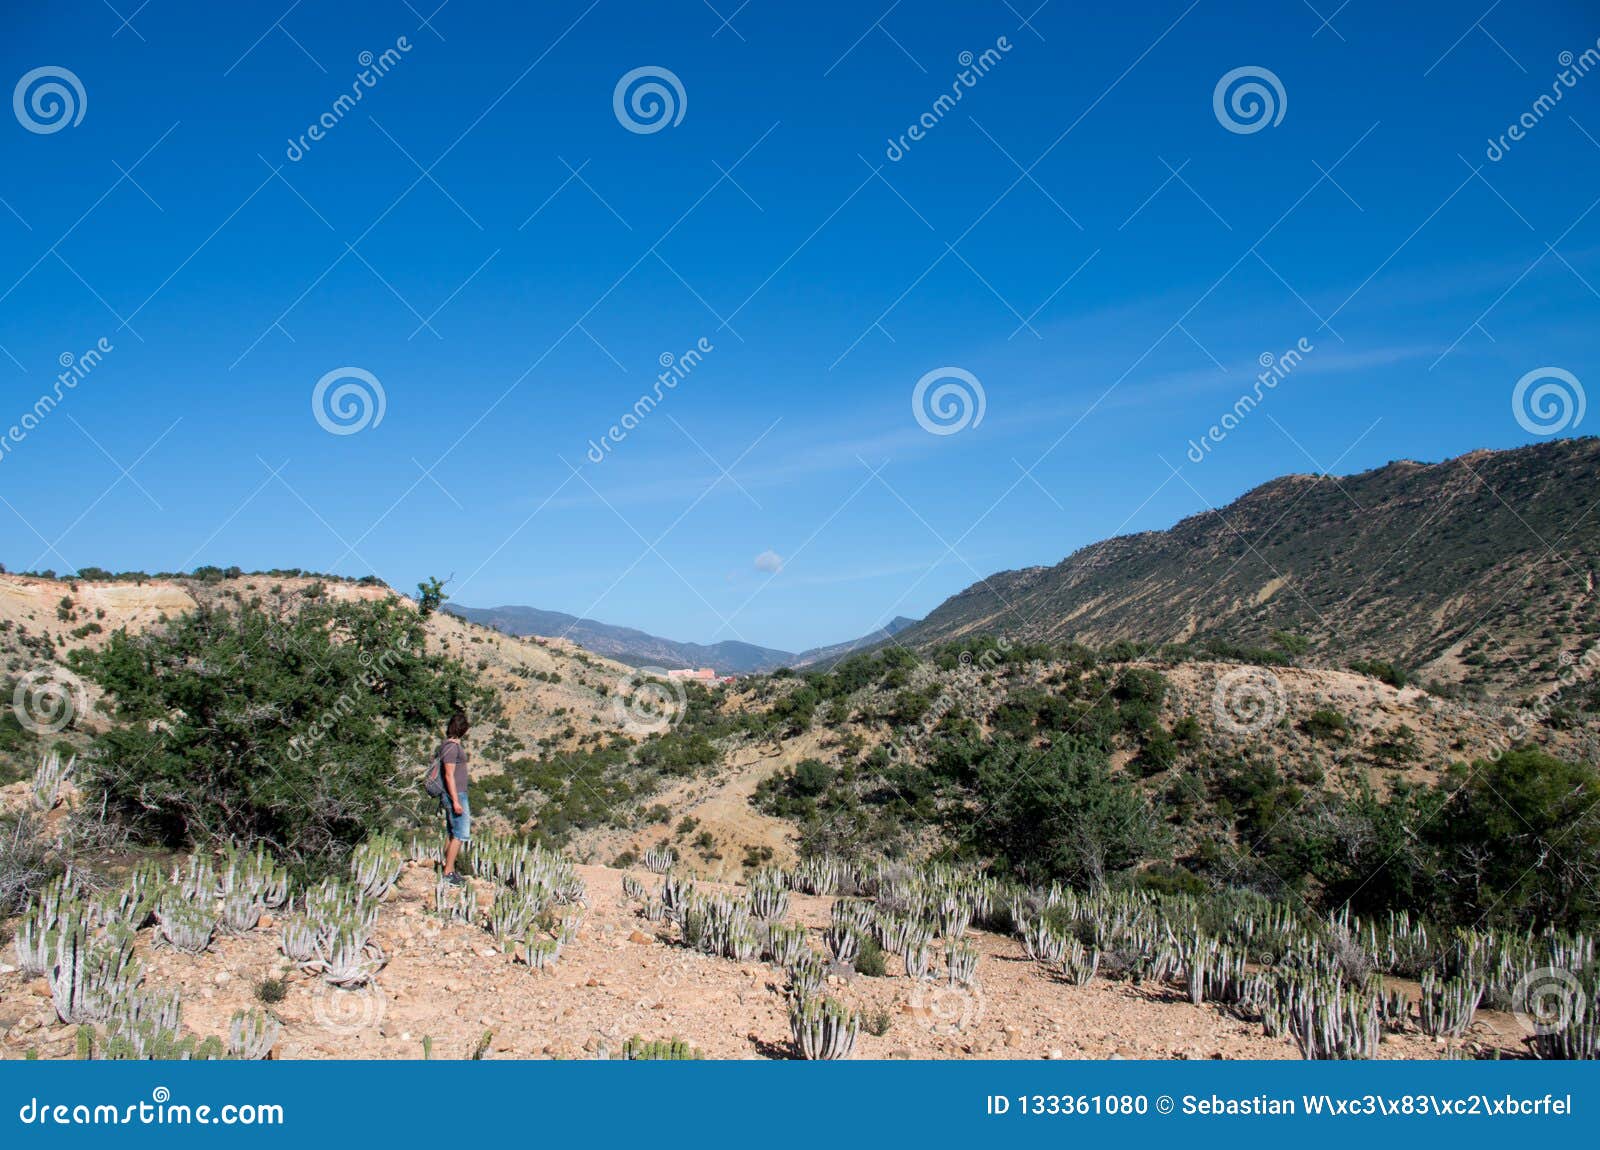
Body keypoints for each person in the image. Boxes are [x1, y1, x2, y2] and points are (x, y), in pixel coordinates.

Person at [437, 710, 472, 884]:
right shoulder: (451, 748)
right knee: (460, 833)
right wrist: (456, 801)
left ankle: (448, 867)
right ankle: (448, 872)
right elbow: (449, 775)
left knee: (453, 833)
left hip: (456, 794)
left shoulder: (449, 745)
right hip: (456, 794)